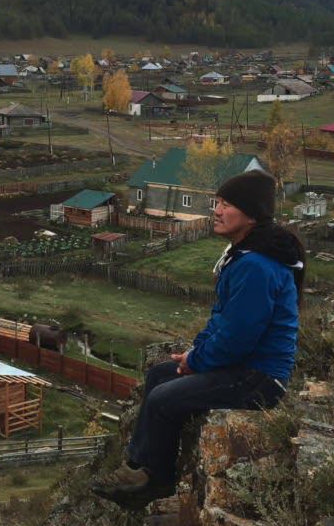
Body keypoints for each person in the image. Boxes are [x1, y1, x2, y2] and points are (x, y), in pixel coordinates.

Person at [91, 170, 305, 508]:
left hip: (259, 379)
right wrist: (196, 352)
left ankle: (155, 480)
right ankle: (136, 464)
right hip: (242, 368)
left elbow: (239, 337)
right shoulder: (244, 256)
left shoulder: (257, 265)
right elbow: (223, 320)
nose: (216, 210)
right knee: (160, 374)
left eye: (226, 204)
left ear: (251, 214)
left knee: (163, 399)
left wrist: (199, 361)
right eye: (216, 203)